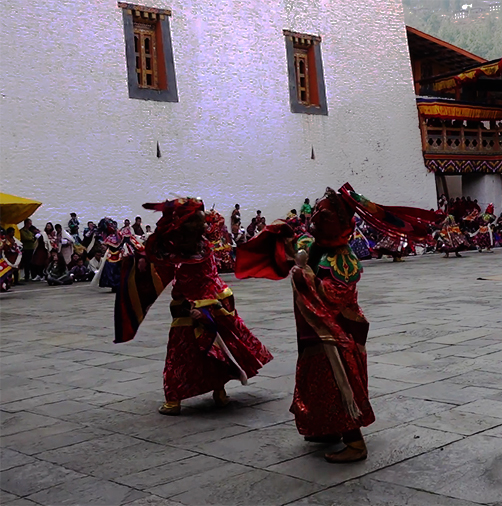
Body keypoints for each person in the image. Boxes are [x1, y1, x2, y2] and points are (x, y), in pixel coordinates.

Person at [235, 183, 440, 463]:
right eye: (317, 213)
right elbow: (291, 256)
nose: (316, 218)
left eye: (325, 216)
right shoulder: (311, 243)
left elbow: (335, 295)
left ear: (341, 224)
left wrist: (305, 277)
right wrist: (283, 239)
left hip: (337, 332)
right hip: (312, 328)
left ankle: (355, 443)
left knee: (338, 381)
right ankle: (325, 428)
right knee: (315, 379)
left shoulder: (345, 259)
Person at [115, 198, 273, 416]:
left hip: (202, 306)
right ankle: (184, 397)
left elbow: (208, 279)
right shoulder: (178, 247)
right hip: (191, 305)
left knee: (207, 351)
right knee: (191, 352)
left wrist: (203, 307)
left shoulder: (200, 248)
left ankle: (202, 394)